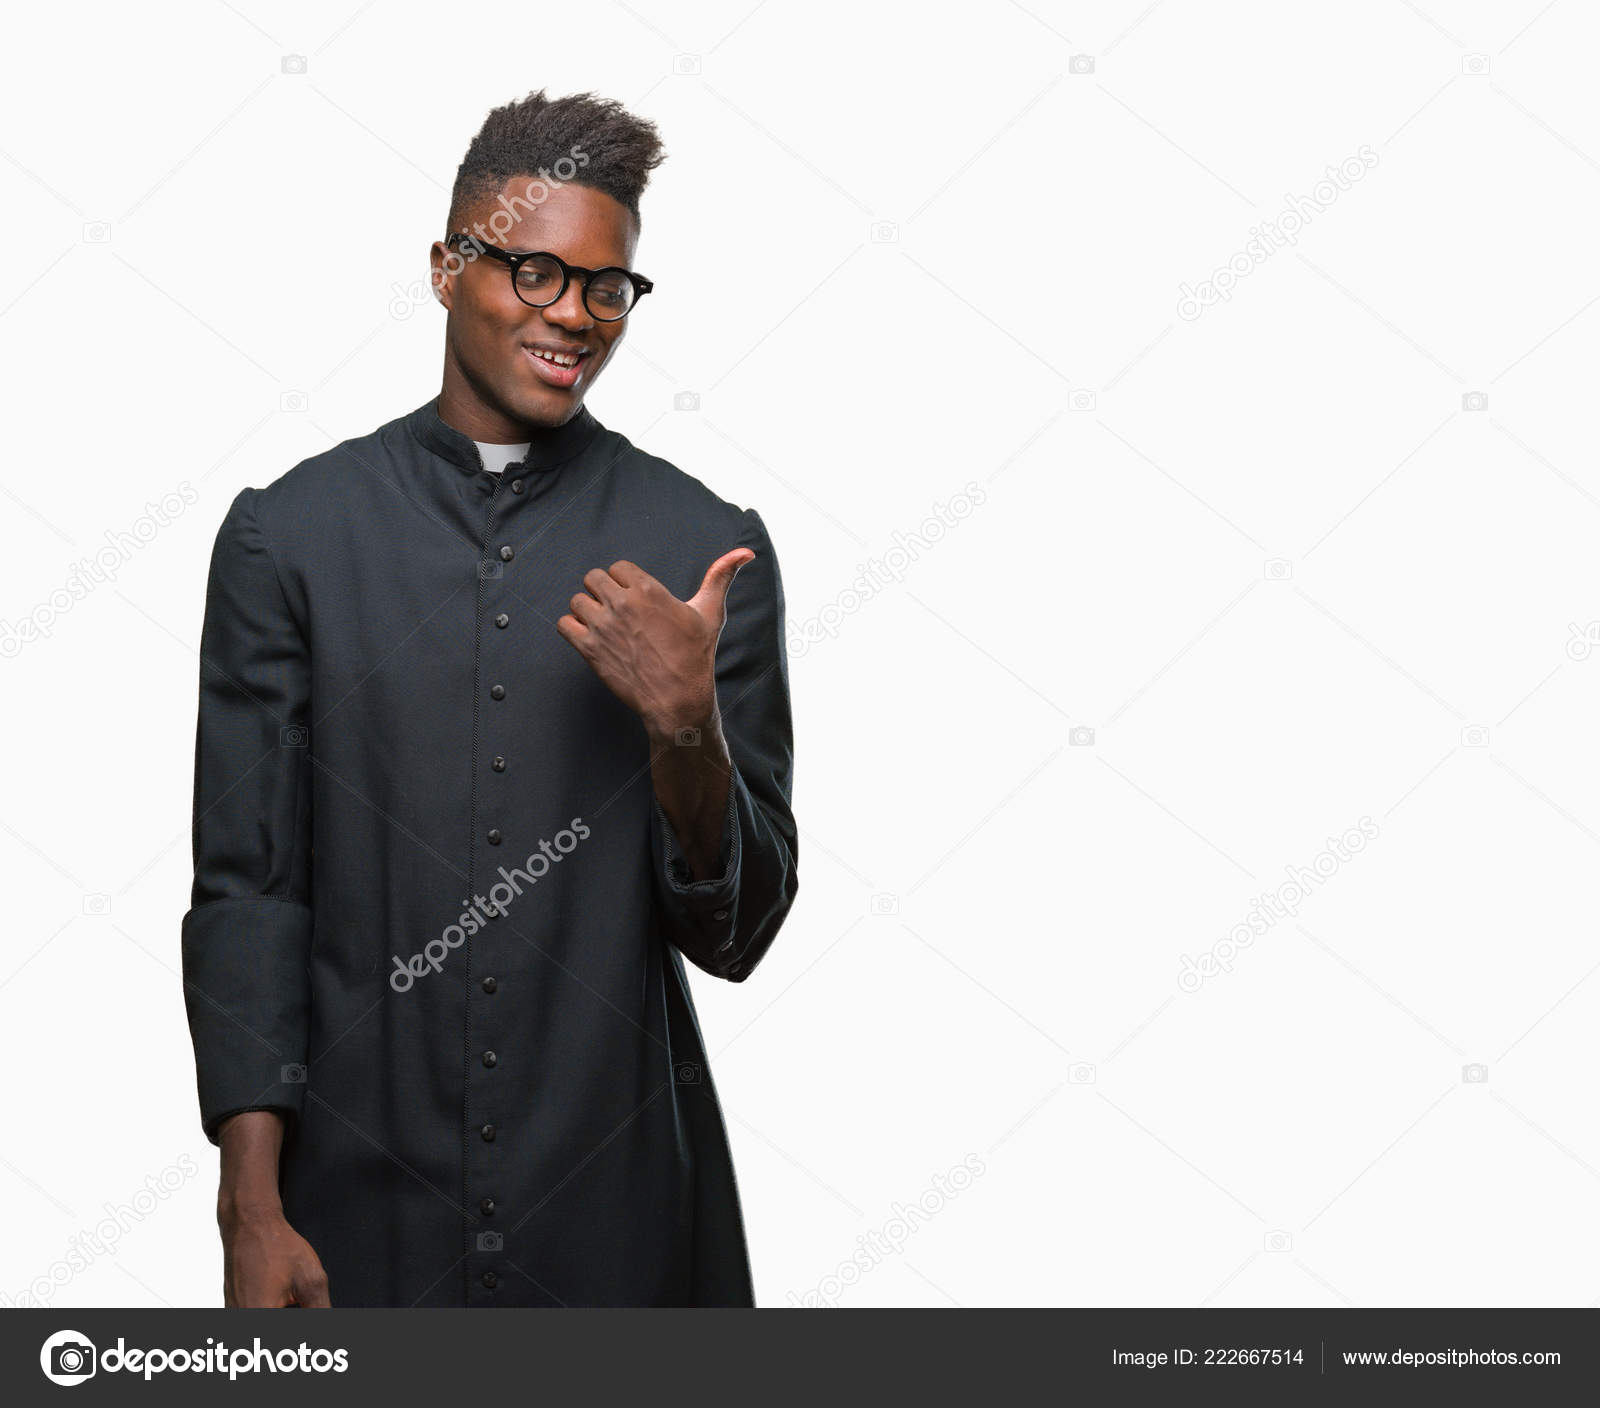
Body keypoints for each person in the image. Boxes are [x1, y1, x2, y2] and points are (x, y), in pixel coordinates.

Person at [180, 89, 799, 1307]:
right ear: (445, 268)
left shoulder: (705, 549)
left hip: (620, 1218)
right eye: (534, 271)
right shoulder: (287, 537)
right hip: (354, 1218)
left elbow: (738, 937)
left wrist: (686, 728)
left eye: (606, 286)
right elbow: (249, 892)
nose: (572, 313)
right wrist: (249, 1206)